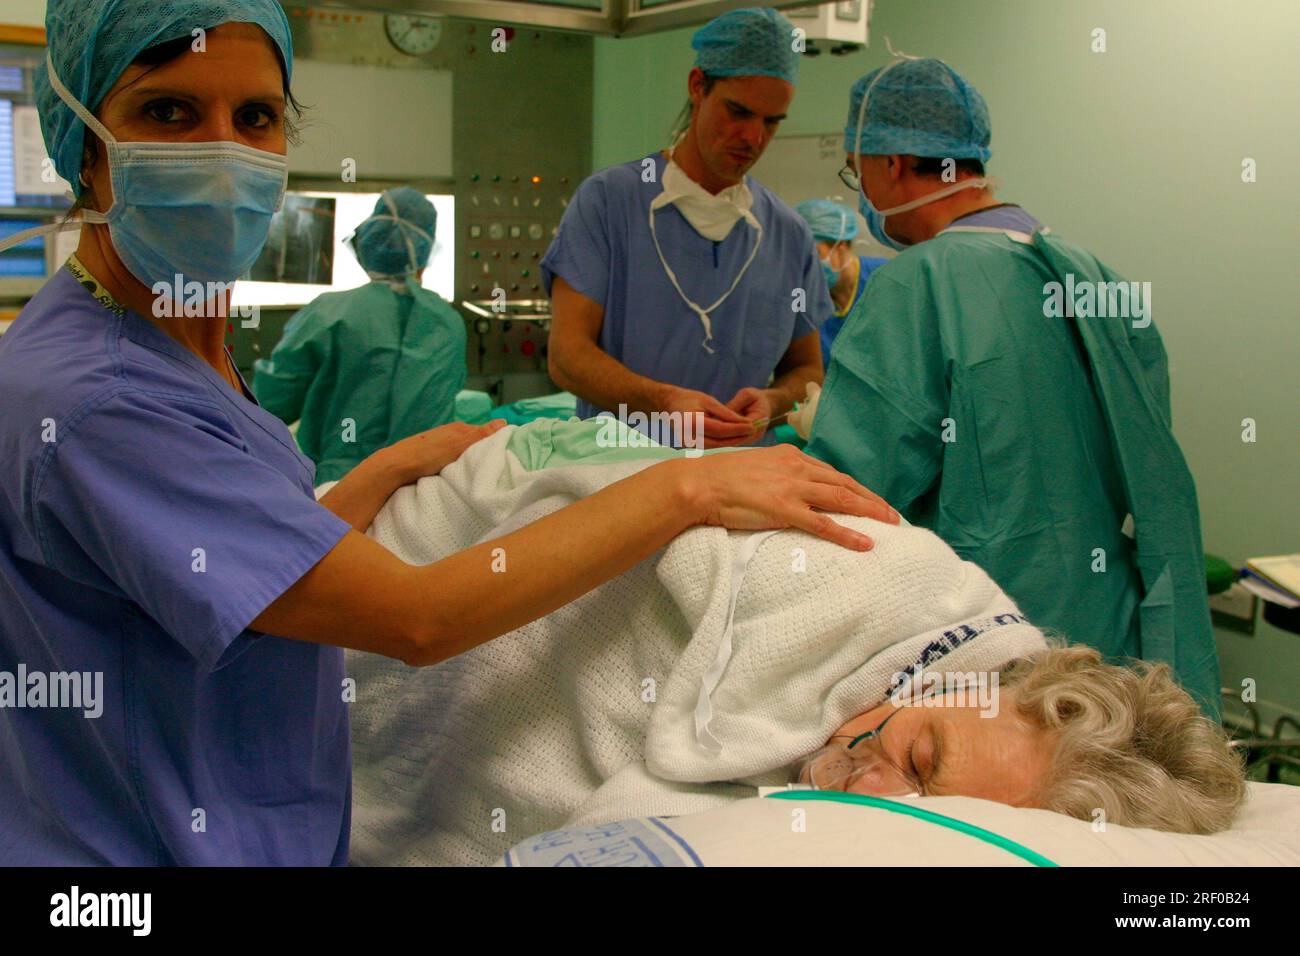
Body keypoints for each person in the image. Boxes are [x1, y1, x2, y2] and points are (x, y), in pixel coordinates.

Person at [0, 0, 895, 866]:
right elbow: (416, 618)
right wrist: (685, 486)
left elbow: (259, 555)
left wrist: (382, 469)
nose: (225, 153)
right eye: (169, 112)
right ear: (82, 144)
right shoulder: (100, 400)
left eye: (258, 116)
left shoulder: (179, 344)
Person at [803, 54, 1219, 714]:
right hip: (1109, 645)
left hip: (982, 645)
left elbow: (848, 495)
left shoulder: (919, 284)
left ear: (889, 164)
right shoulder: (1099, 277)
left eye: (857, 172)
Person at [543, 7, 830, 448]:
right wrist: (663, 402)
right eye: (739, 112)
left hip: (737, 480)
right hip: (617, 471)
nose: (753, 138)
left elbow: (807, 370)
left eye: (771, 122)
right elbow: (567, 357)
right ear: (698, 86)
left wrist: (774, 402)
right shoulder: (609, 201)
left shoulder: (787, 233)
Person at [253, 187, 468, 483]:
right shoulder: (448, 322)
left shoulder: (329, 313)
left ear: (371, 241)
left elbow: (269, 406)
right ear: (426, 247)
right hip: (429, 484)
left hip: (342, 486)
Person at [793, 198, 888, 369]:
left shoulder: (886, 280)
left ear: (840, 245)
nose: (804, 263)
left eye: (813, 253)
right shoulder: (799, 295)